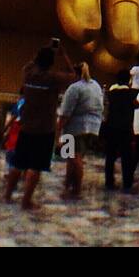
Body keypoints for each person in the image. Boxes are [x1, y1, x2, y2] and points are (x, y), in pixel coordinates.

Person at [3, 42, 76, 209]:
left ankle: (7, 195)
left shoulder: (28, 75)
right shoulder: (53, 78)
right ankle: (26, 201)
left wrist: (42, 51)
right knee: (35, 166)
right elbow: (72, 75)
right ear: (51, 63)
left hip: (26, 126)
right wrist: (63, 55)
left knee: (18, 163)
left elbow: (29, 64)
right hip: (45, 129)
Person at [57, 61, 103, 200]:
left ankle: (76, 189)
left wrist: (58, 131)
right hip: (93, 127)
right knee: (74, 157)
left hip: (74, 127)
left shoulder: (74, 88)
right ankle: (68, 185)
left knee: (73, 157)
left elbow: (66, 112)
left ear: (75, 74)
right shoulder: (95, 85)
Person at [102, 69, 138, 191]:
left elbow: (106, 110)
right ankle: (127, 182)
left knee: (110, 156)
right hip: (125, 128)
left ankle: (109, 180)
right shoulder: (131, 94)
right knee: (126, 157)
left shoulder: (111, 94)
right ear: (128, 80)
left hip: (111, 127)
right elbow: (136, 105)